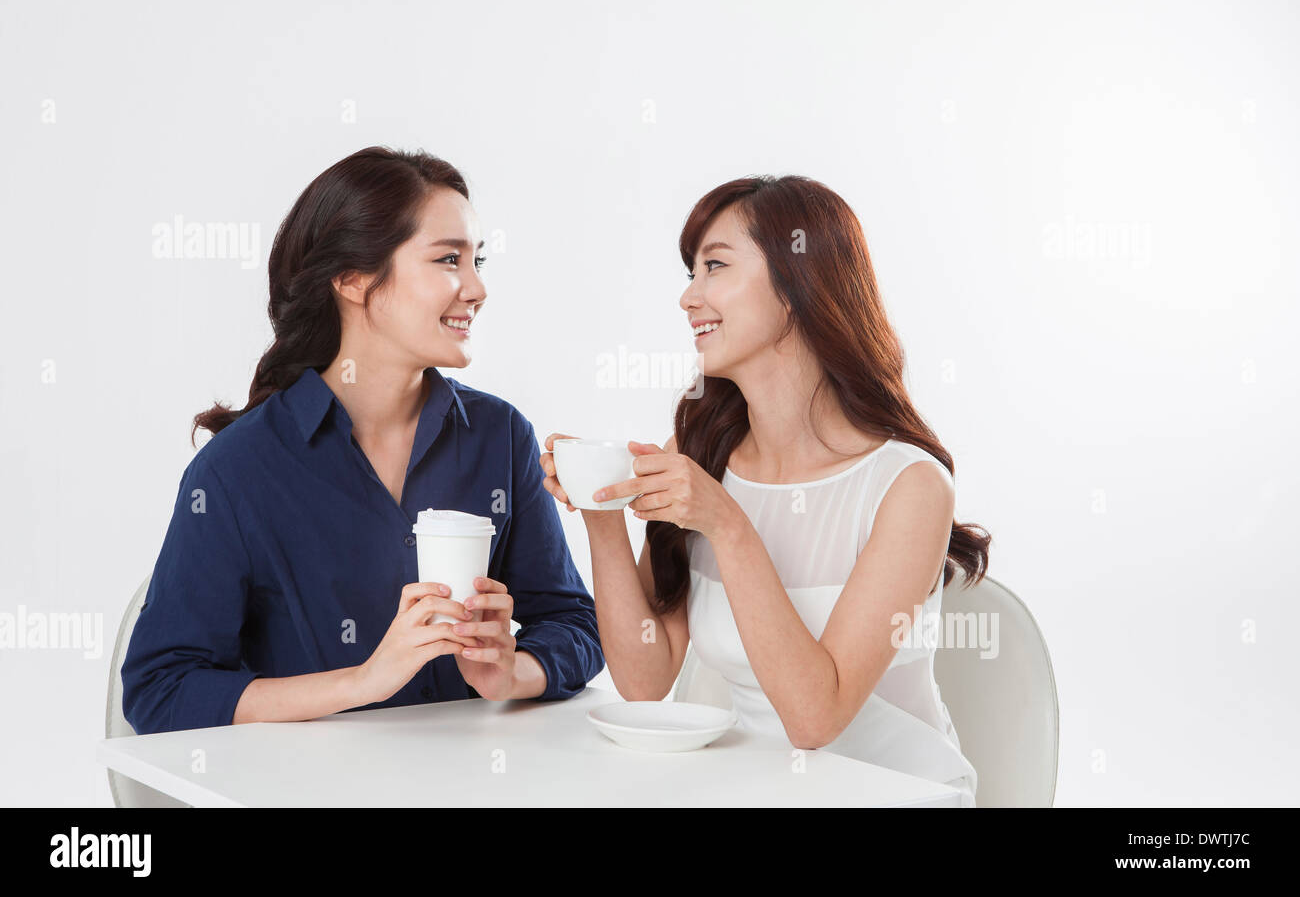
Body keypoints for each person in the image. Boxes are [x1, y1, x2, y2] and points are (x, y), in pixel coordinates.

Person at [540, 175, 991, 806]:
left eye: (714, 267)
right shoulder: (703, 456)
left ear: (795, 287)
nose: (687, 298)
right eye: (690, 272)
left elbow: (815, 720)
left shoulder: (908, 485)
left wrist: (727, 526)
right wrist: (601, 512)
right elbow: (646, 679)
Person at [122, 146, 603, 735]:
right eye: (449, 259)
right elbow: (161, 690)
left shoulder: (500, 438)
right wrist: (365, 681)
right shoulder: (237, 471)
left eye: (479, 260)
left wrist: (512, 670)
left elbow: (573, 624)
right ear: (351, 278)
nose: (477, 288)